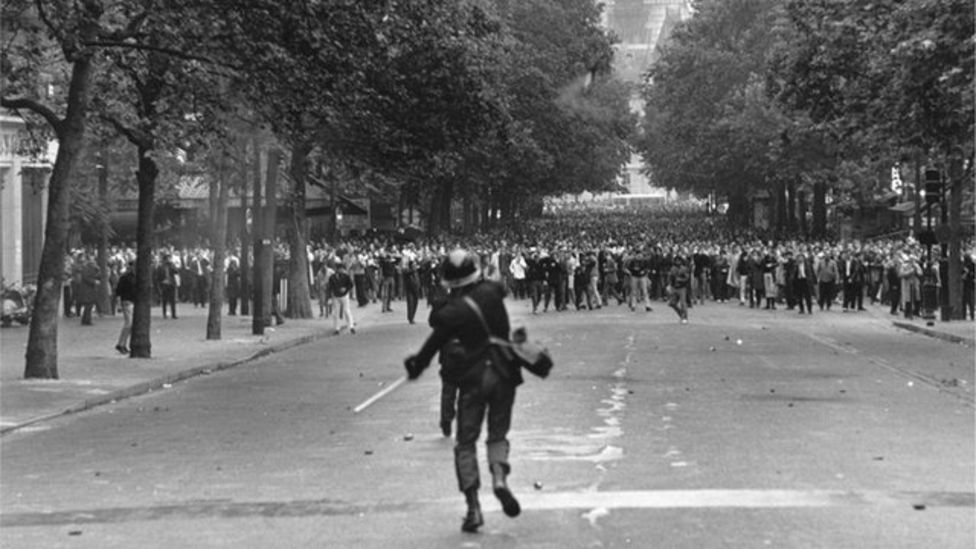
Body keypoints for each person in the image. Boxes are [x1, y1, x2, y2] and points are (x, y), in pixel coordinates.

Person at [404, 249, 523, 533]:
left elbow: (434, 344)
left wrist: (416, 365)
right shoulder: (494, 293)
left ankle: (473, 507)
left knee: (466, 442)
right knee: (497, 434)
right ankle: (499, 477)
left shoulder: (452, 313)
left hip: (473, 378)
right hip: (504, 373)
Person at [115, 261, 136, 354]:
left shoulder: (134, 277)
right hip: (127, 301)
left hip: (131, 301)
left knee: (129, 324)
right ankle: (121, 344)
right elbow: (119, 291)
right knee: (129, 323)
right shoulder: (125, 277)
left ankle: (123, 343)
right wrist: (119, 303)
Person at [328, 262, 356, 334]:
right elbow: (330, 287)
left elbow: (350, 285)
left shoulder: (346, 276)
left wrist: (345, 288)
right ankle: (337, 328)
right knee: (336, 312)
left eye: (341, 269)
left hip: (344, 295)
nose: (340, 270)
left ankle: (351, 326)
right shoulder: (332, 277)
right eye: (339, 269)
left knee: (346, 310)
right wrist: (331, 295)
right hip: (336, 295)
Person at [667, 255, 691, 323]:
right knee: (672, 303)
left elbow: (687, 278)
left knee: (683, 303)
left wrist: (680, 280)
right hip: (674, 287)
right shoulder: (672, 268)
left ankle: (685, 317)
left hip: (682, 288)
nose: (677, 262)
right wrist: (669, 285)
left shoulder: (684, 269)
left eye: (679, 261)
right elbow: (670, 277)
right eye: (676, 261)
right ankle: (681, 314)